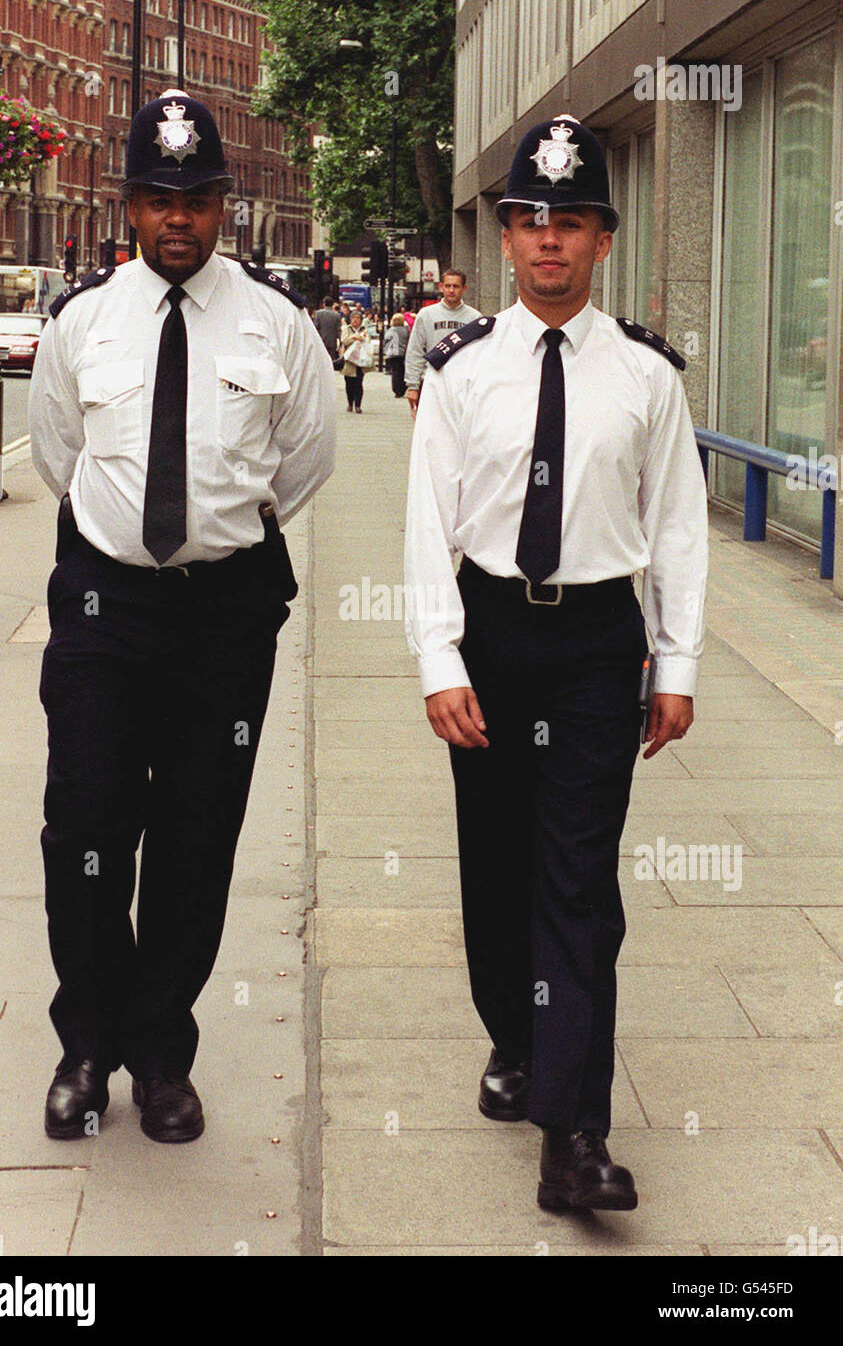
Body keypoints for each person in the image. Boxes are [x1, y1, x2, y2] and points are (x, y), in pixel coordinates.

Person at [404, 114, 708, 1213]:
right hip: (490, 629)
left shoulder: (645, 379)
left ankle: (574, 1130)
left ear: (601, 241)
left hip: (592, 644)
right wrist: (438, 657)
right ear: (504, 240)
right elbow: (421, 525)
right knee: (495, 869)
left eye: (568, 223)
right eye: (528, 221)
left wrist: (672, 662)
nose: (546, 242)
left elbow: (676, 526)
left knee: (576, 879)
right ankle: (518, 1037)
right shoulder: (461, 370)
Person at [29, 88, 335, 1145]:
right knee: (84, 827)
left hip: (223, 613)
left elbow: (303, 463)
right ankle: (84, 1043)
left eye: (195, 198)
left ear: (223, 207)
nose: (176, 218)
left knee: (197, 836)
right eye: (157, 198)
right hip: (106, 603)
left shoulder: (277, 326)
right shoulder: (80, 324)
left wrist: (215, 533)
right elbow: (60, 456)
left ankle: (162, 1053)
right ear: (126, 205)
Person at [404, 270, 480, 418]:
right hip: (432, 382)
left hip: (462, 385)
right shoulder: (426, 315)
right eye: (448, 286)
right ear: (441, 287)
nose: (451, 290)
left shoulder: (474, 318)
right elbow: (415, 351)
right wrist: (413, 386)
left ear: (464, 289)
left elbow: (479, 355)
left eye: (456, 286)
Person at [340, 307, 368, 413]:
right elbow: (344, 341)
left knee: (359, 383)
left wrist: (362, 338)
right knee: (349, 383)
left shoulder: (364, 329)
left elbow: (367, 340)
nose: (355, 320)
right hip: (349, 360)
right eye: (353, 318)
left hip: (360, 360)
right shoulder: (346, 329)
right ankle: (349, 403)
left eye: (357, 318)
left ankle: (358, 405)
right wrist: (355, 338)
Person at [383, 312, 410, 398]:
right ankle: (403, 388)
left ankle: (397, 390)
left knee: (395, 372)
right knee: (402, 372)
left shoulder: (391, 330)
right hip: (403, 353)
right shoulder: (406, 330)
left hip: (393, 353)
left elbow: (386, 341)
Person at [314, 294, 342, 361]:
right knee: (331, 360)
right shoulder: (337, 315)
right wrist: (340, 341)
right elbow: (338, 330)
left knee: (321, 360)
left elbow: (316, 327)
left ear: (324, 304)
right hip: (332, 341)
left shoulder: (318, 313)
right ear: (332, 304)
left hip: (321, 340)